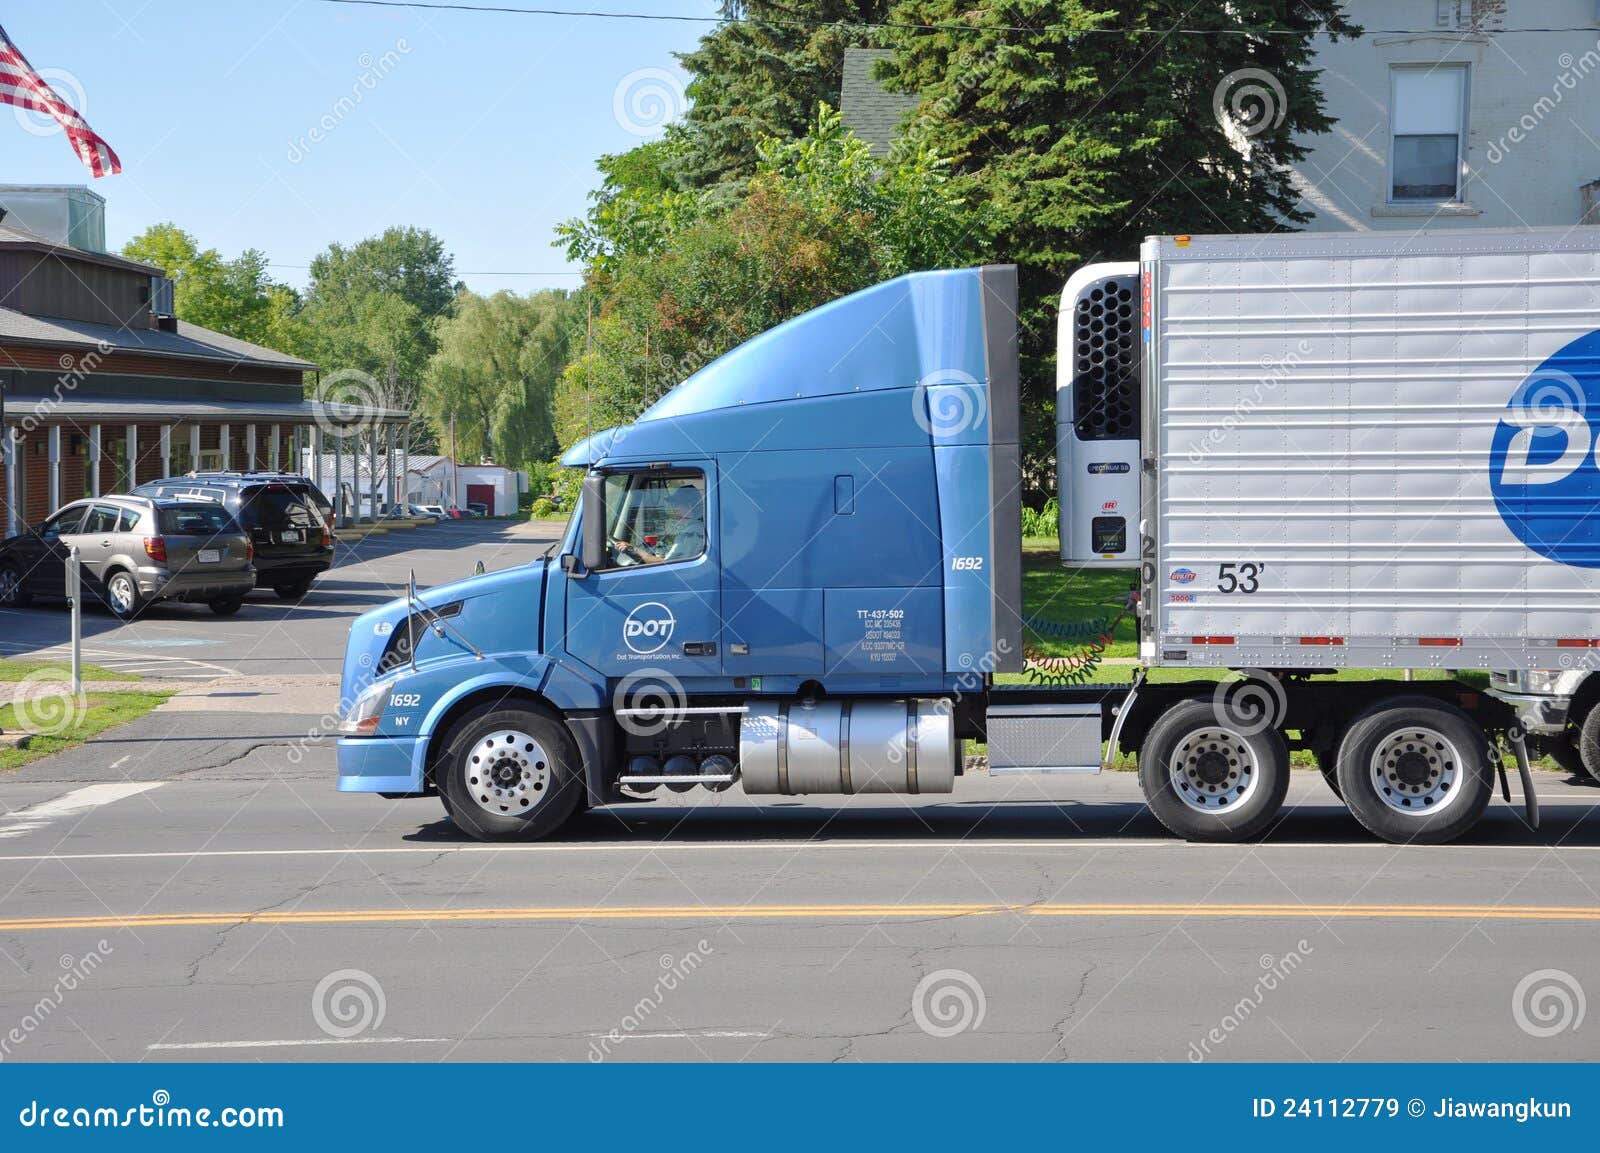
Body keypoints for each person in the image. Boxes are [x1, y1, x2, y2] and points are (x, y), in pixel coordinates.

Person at [610, 483, 704, 565]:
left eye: (677, 505)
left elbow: (667, 565)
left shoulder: (694, 531)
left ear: (690, 506)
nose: (674, 509)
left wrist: (635, 549)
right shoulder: (693, 527)